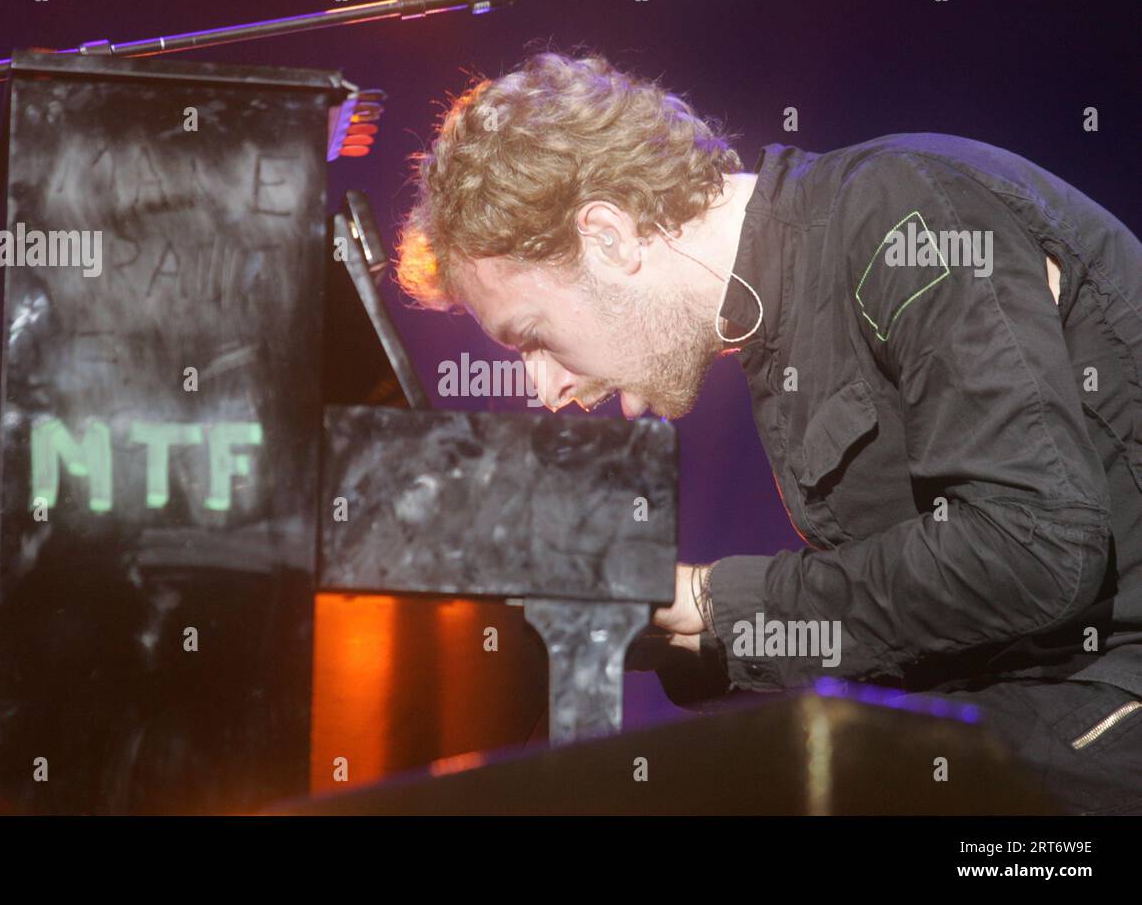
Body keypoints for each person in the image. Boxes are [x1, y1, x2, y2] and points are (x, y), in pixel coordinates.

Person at [394, 49, 1142, 813]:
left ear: (609, 238)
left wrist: (710, 600)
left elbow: (1034, 549)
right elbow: (913, 617)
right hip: (1035, 710)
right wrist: (668, 626)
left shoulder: (902, 211)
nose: (543, 390)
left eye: (533, 337)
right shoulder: (775, 320)